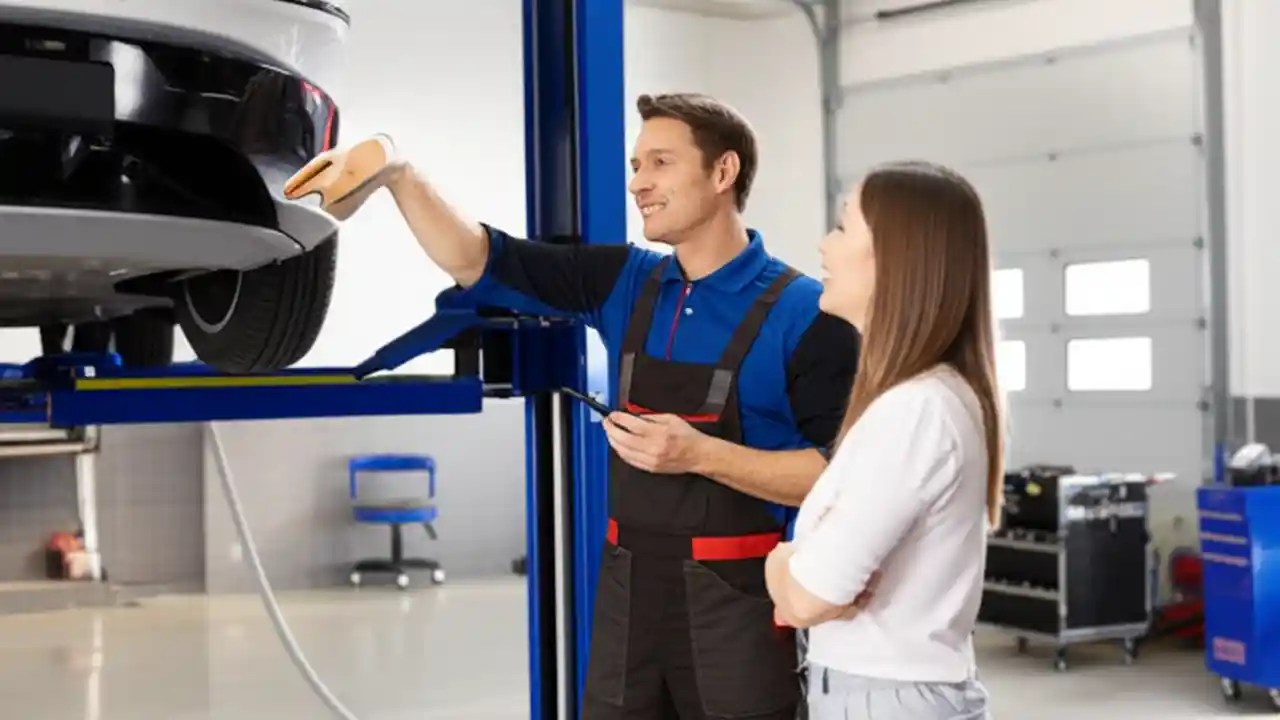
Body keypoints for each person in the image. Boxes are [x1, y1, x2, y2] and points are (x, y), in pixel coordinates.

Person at [284, 93, 861, 719]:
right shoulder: (627, 281)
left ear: (723, 174)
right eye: (636, 165)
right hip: (628, 597)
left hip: (740, 608)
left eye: (659, 163)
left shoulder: (808, 314)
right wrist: (398, 172)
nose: (638, 183)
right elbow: (476, 256)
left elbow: (836, 480)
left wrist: (700, 453)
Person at [764, 161, 1001, 719]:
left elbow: (807, 597)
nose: (824, 245)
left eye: (844, 227)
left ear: (895, 261)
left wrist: (782, 560)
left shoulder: (916, 412)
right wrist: (808, 572)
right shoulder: (927, 399)